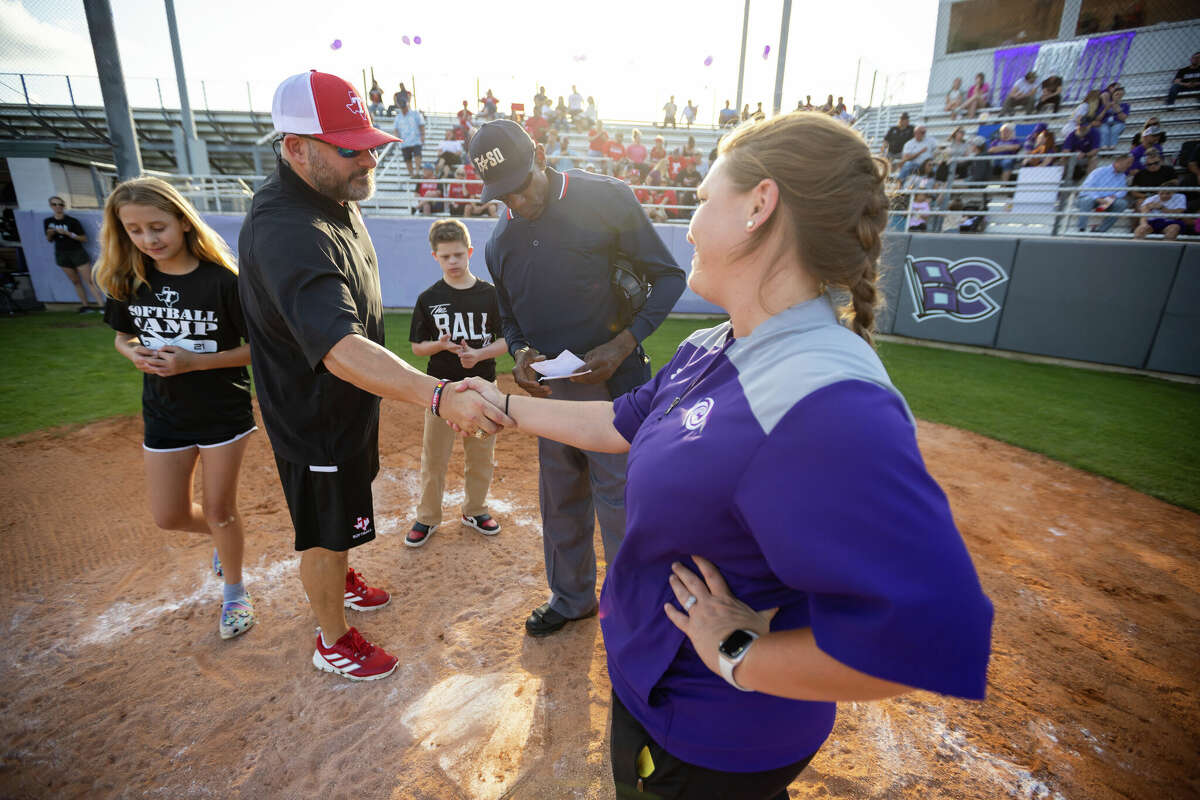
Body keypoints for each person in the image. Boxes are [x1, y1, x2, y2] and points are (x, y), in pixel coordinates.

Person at [455, 110, 993, 800]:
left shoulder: (825, 394)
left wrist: (741, 654)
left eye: (705, 199)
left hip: (715, 740)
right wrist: (501, 404)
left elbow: (931, 632)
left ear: (758, 206)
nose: (689, 226)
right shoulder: (713, 344)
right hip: (658, 700)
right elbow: (619, 420)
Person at [238, 70, 507, 680]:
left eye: (368, 144)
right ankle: (332, 639)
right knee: (325, 532)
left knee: (346, 509)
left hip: (348, 407)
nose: (368, 159)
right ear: (296, 148)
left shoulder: (334, 197)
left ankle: (342, 575)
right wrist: (439, 394)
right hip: (315, 420)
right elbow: (338, 348)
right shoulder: (288, 228)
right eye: (348, 148)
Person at [467, 119, 686, 637]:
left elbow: (669, 277)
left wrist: (623, 342)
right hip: (553, 393)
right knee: (560, 496)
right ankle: (571, 598)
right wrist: (520, 353)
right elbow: (510, 319)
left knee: (622, 501)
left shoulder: (605, 197)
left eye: (522, 185)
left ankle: (637, 609)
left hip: (617, 383)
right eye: (503, 194)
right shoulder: (500, 242)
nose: (517, 201)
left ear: (541, 155)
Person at [94, 177, 257, 641]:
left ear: (184, 222)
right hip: (163, 412)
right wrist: (134, 353)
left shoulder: (224, 281)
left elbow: (260, 349)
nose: (148, 239)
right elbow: (123, 337)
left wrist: (195, 362)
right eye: (135, 230)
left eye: (157, 226)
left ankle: (235, 593)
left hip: (221, 411)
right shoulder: (129, 281)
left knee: (221, 509)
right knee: (169, 515)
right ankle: (223, 539)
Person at [407, 220, 507, 547]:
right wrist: (439, 345)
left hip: (482, 389)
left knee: (480, 455)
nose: (453, 261)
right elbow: (417, 347)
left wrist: (479, 355)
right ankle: (427, 516)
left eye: (458, 255)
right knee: (434, 457)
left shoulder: (490, 295)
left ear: (470, 252)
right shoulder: (429, 298)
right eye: (446, 256)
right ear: (435, 256)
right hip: (442, 391)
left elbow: (507, 340)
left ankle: (475, 509)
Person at [44, 196, 103, 312]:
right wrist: (50, 233)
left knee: (89, 280)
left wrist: (68, 234)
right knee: (75, 281)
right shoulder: (48, 222)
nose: (58, 207)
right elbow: (49, 239)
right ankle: (85, 306)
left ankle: (102, 305)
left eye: (60, 204)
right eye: (54, 204)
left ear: (64, 206)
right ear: (51, 206)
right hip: (61, 253)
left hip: (77, 252)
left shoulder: (72, 221)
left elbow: (84, 238)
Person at [1076, 154, 1131, 232]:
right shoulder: (1099, 171)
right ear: (1119, 161)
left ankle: (1100, 231)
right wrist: (1098, 198)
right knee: (1087, 200)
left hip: (1107, 201)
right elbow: (1087, 186)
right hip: (1091, 198)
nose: (1129, 166)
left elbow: (1123, 191)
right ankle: (1081, 229)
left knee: (1122, 203)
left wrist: (1113, 197)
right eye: (1127, 163)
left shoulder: (1122, 176)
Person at [391, 96, 425, 179]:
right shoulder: (398, 117)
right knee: (407, 159)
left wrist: (423, 135)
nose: (404, 109)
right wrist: (396, 138)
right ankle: (412, 174)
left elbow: (421, 125)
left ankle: (417, 172)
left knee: (417, 155)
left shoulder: (415, 113)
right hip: (404, 142)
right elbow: (396, 129)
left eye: (405, 106)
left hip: (416, 139)